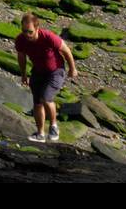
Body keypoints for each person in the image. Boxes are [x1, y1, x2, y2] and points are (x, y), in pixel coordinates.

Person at [14, 12, 78, 143]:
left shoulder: (48, 37)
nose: (27, 35)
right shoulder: (21, 40)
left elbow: (66, 51)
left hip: (56, 71)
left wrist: (72, 68)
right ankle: (40, 133)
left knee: (46, 98)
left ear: (37, 28)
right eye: (24, 31)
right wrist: (23, 74)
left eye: (30, 32)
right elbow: (21, 57)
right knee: (37, 103)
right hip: (38, 71)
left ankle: (54, 126)